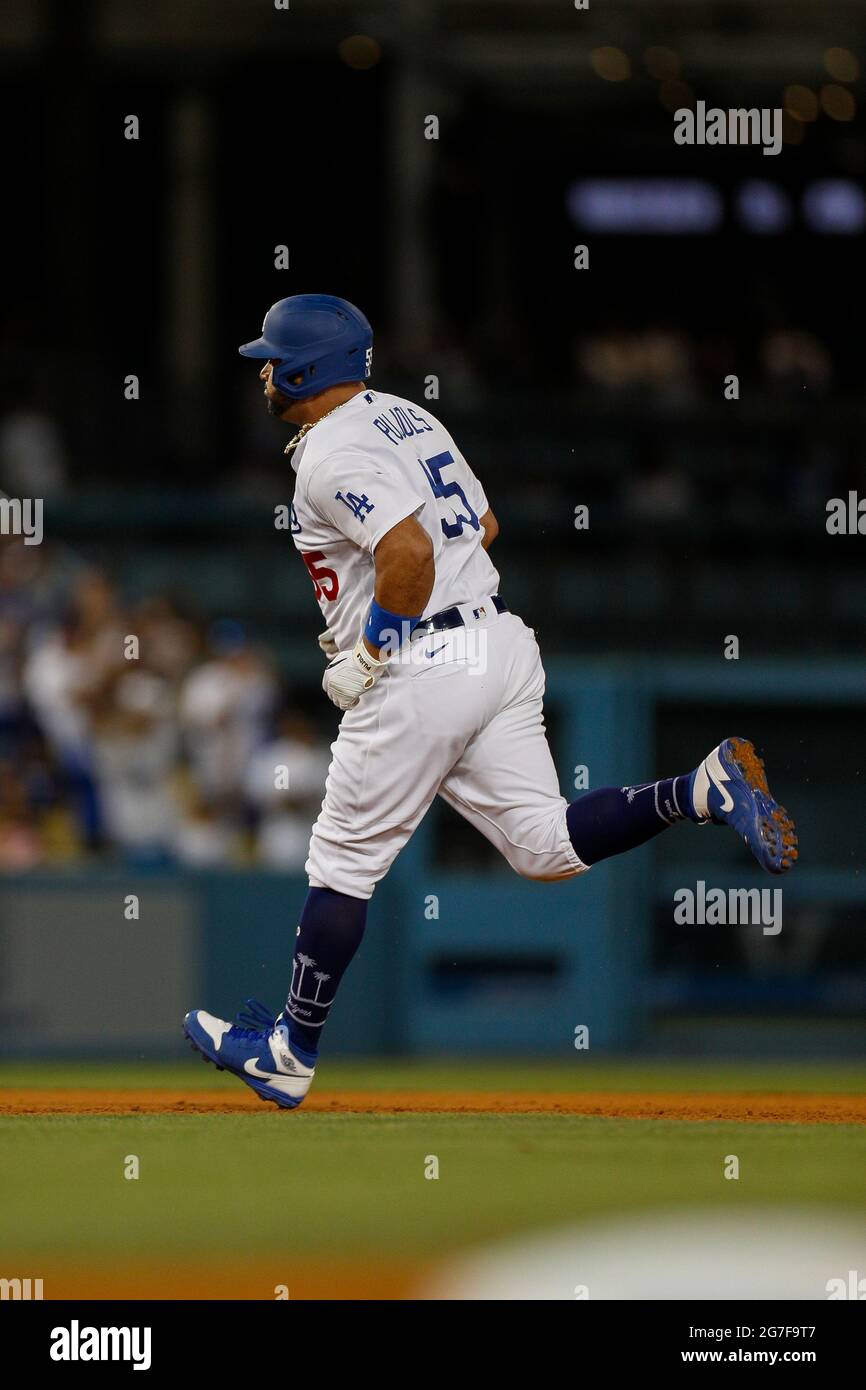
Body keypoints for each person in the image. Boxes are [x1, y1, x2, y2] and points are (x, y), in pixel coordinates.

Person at [184, 294, 797, 1109]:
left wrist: (370, 652)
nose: (262, 372)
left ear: (304, 369)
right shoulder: (409, 417)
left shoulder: (329, 456)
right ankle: (699, 789)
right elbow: (485, 525)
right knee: (543, 848)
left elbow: (408, 553)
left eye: (272, 359)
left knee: (342, 863)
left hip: (424, 660)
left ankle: (291, 1052)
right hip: (497, 642)